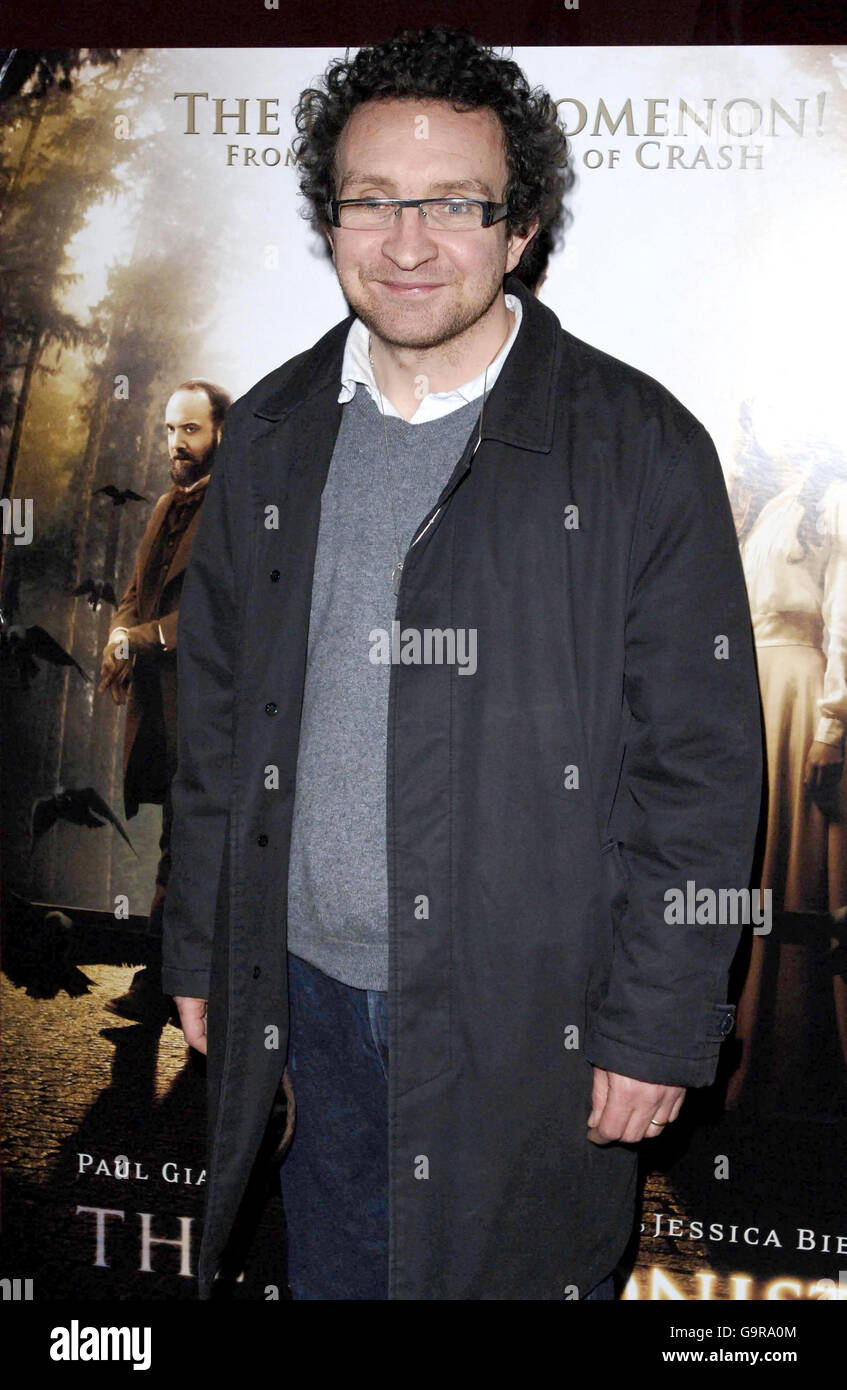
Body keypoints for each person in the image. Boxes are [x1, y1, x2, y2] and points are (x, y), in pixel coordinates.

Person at [161, 26, 762, 1301]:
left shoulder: (638, 447)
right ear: (331, 219)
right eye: (372, 201)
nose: (409, 241)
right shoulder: (270, 432)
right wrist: (204, 948)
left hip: (525, 1015)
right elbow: (216, 721)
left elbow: (697, 772)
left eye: (453, 203)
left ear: (522, 225)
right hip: (309, 995)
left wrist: (657, 1021)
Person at [99, 379, 230, 1025]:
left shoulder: (238, 509)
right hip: (161, 703)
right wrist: (121, 633)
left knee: (196, 846)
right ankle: (164, 984)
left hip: (211, 709)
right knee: (175, 842)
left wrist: (142, 641)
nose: (175, 443)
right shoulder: (162, 507)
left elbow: (219, 614)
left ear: (221, 434)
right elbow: (133, 589)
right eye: (168, 430)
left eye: (190, 430)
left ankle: (174, 987)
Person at [726, 417, 847, 1116]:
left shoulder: (832, 499)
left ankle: (794, 1060)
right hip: (752, 696)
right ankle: (746, 1046)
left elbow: (842, 613)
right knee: (748, 872)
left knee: (794, 874)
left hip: (797, 701)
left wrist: (831, 726)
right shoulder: (772, 507)